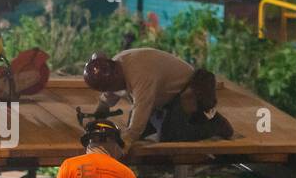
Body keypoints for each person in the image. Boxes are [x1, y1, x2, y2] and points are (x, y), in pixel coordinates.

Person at [82, 47, 233, 149]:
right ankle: (180, 120)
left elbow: (140, 111)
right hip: (163, 96)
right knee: (138, 129)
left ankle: (215, 125)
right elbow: (107, 98)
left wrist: (124, 143)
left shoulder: (140, 75)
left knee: (171, 136)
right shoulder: (114, 67)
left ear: (114, 78)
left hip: (185, 90)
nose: (110, 91)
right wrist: (96, 118)